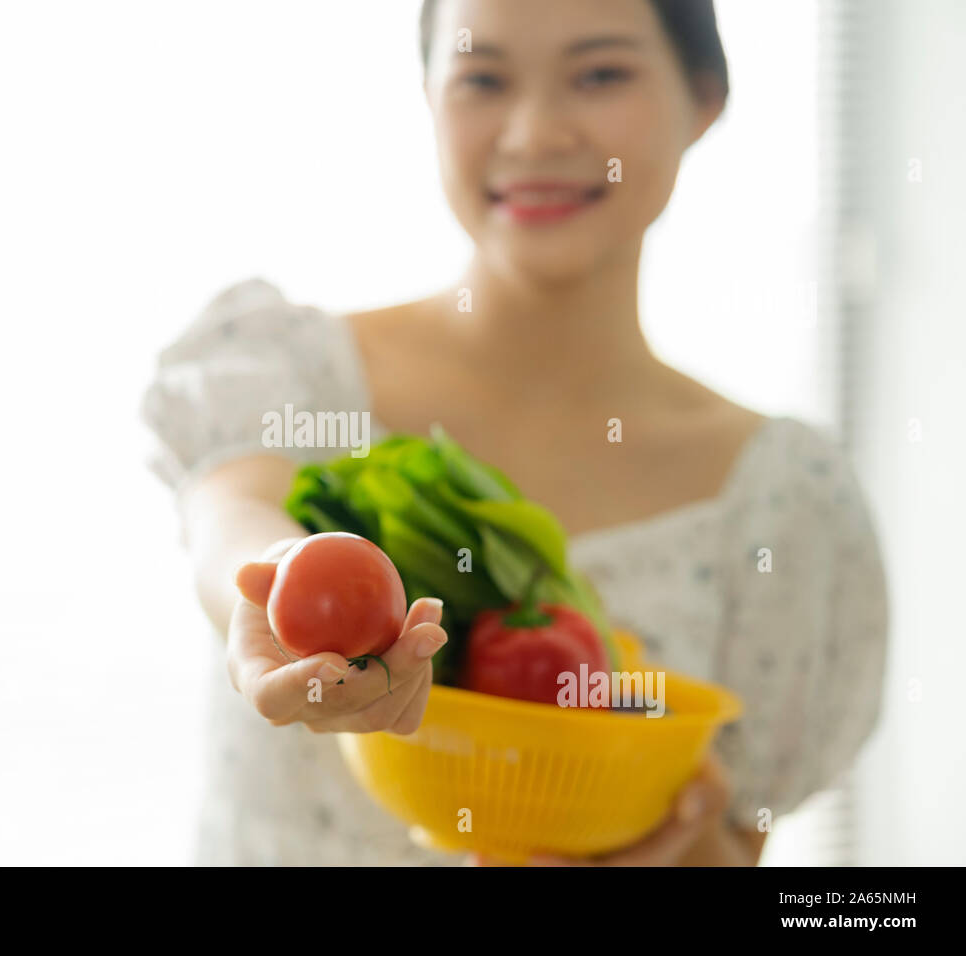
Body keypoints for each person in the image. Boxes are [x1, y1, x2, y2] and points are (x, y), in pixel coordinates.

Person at [140, 0, 888, 866]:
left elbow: (733, 839)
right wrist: (267, 602)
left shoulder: (784, 501)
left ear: (704, 97)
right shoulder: (290, 371)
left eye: (601, 73)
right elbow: (236, 515)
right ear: (429, 98)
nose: (534, 134)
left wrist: (698, 852)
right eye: (483, 78)